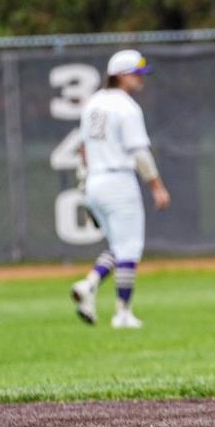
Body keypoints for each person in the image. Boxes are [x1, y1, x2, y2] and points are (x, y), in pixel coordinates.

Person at [71, 49, 171, 329]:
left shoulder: (93, 103)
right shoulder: (126, 107)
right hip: (118, 180)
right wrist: (157, 187)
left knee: (118, 245)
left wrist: (86, 182)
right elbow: (139, 153)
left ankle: (89, 284)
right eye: (135, 73)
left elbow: (82, 147)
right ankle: (122, 312)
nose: (140, 79)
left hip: (95, 180)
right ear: (120, 75)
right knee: (131, 247)